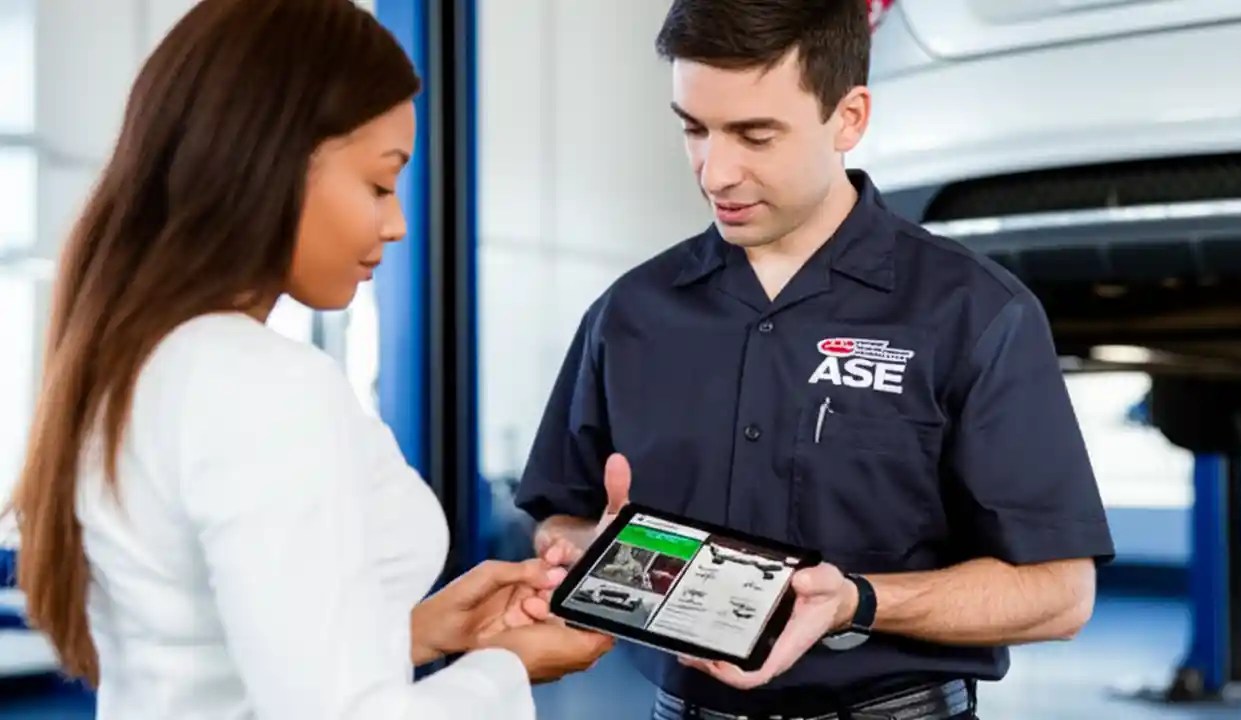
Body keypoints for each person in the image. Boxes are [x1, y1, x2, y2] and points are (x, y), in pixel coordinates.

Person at [6, 1, 610, 718]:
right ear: (274, 162)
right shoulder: (260, 384)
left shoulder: (141, 363)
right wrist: (503, 671)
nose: (397, 224)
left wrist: (415, 633)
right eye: (380, 184)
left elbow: (219, 662)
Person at [515, 1, 1116, 718]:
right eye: (694, 129)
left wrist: (856, 601)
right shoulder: (630, 314)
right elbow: (562, 520)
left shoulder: (973, 312)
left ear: (850, 117)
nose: (716, 173)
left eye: (755, 135)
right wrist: (605, 553)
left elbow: (1059, 594)